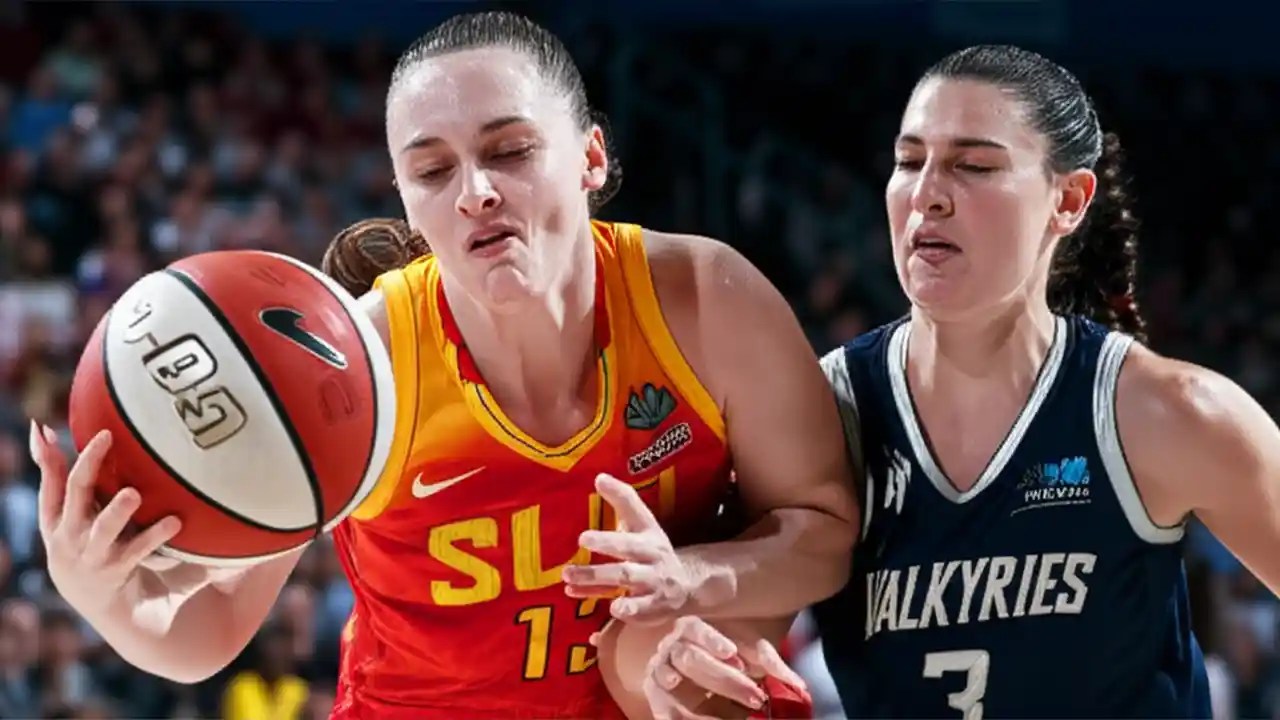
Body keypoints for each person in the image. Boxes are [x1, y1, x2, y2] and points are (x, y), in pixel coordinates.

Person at [28, 11, 857, 720]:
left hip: (651, 695)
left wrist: (697, 577)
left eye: (510, 150)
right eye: (433, 170)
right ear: (407, 201)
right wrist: (100, 593)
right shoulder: (355, 367)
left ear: (591, 158)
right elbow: (206, 630)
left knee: (662, 656)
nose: (475, 191)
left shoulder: (705, 299)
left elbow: (823, 528)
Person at [797, 45, 1280, 717]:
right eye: (909, 161)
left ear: (1069, 200)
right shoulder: (820, 414)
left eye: (974, 166)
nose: (928, 193)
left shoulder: (1164, 414)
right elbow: (704, 643)